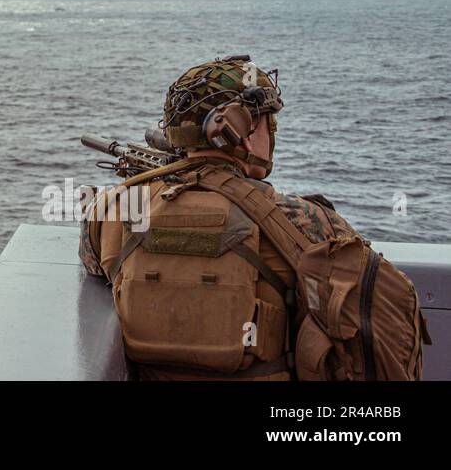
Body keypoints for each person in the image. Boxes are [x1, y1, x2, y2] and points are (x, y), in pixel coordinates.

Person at [78, 55, 417, 380]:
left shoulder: (111, 209)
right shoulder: (308, 221)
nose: (273, 133)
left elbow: (95, 263)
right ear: (243, 128)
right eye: (269, 122)